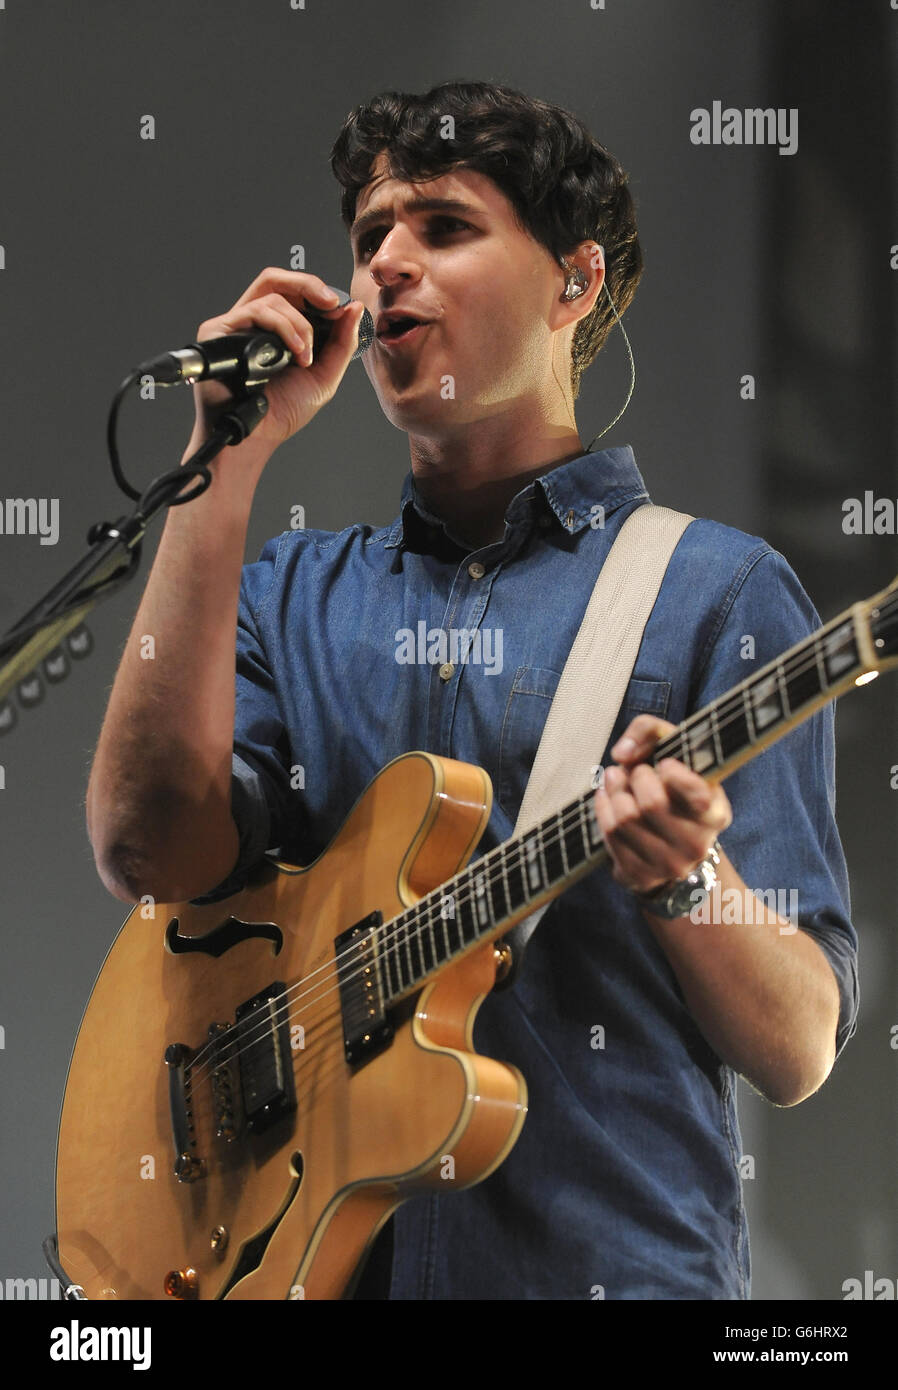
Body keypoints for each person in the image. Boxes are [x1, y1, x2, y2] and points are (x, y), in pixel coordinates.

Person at [86, 80, 857, 1300]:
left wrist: (686, 879)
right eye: (369, 235)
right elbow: (147, 848)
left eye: (442, 227)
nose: (385, 260)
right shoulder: (289, 595)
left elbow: (800, 1041)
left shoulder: (717, 591)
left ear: (574, 281)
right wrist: (221, 461)